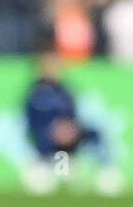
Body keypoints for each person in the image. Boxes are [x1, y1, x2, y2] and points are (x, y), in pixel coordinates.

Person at [23, 50, 123, 195]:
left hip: (67, 132)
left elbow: (72, 115)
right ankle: (46, 170)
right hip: (45, 134)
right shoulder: (35, 93)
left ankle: (107, 173)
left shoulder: (65, 91)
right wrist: (53, 129)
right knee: (50, 142)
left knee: (95, 134)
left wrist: (70, 127)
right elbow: (32, 121)